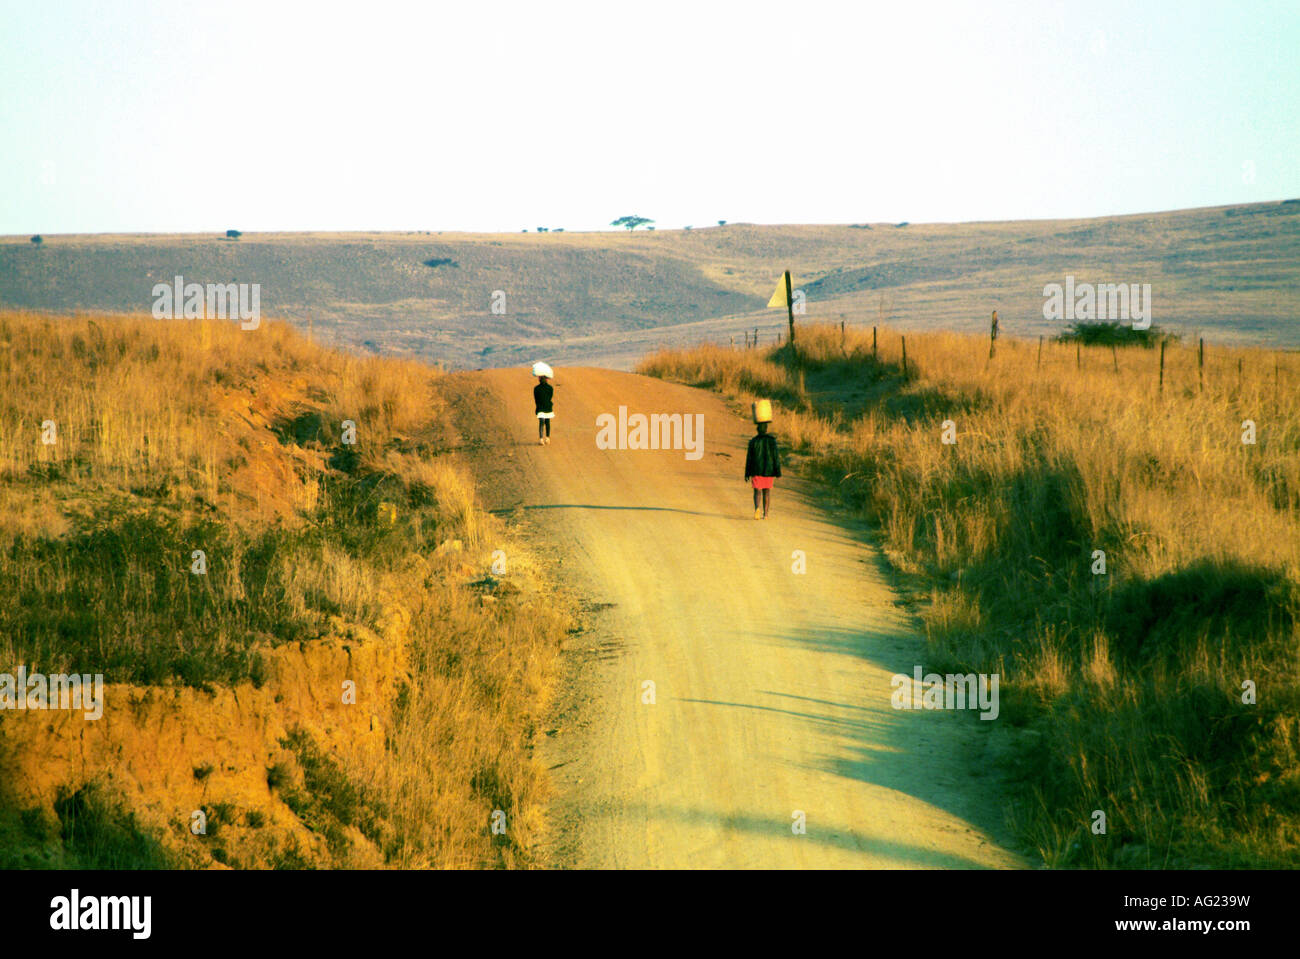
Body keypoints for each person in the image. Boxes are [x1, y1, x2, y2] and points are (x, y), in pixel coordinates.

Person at [744, 421, 781, 519]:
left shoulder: (753, 441)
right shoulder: (772, 441)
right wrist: (778, 472)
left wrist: (747, 473)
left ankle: (757, 508)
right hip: (769, 470)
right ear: (766, 429)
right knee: (767, 491)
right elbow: (776, 457)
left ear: (757, 430)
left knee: (757, 491)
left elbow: (749, 459)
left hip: (756, 470)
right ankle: (766, 514)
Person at [534, 374, 554, 445]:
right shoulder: (549, 388)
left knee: (545, 422)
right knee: (543, 421)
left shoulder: (537, 388)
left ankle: (546, 438)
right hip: (544, 407)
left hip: (544, 407)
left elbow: (536, 399)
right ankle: (542, 439)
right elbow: (550, 397)